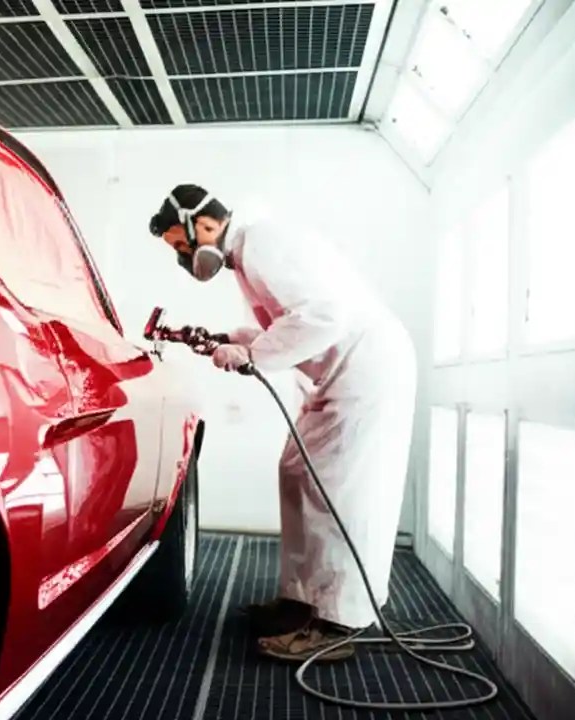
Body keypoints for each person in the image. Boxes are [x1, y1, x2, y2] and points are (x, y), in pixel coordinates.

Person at [148, 184, 417, 662]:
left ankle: (338, 622)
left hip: (365, 369)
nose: (184, 258)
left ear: (204, 225)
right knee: (297, 471)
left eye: (180, 244)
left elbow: (324, 316)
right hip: (338, 371)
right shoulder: (248, 252)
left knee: (335, 491)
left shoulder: (263, 242)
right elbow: (291, 322)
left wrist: (252, 353)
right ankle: (301, 601)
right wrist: (228, 338)